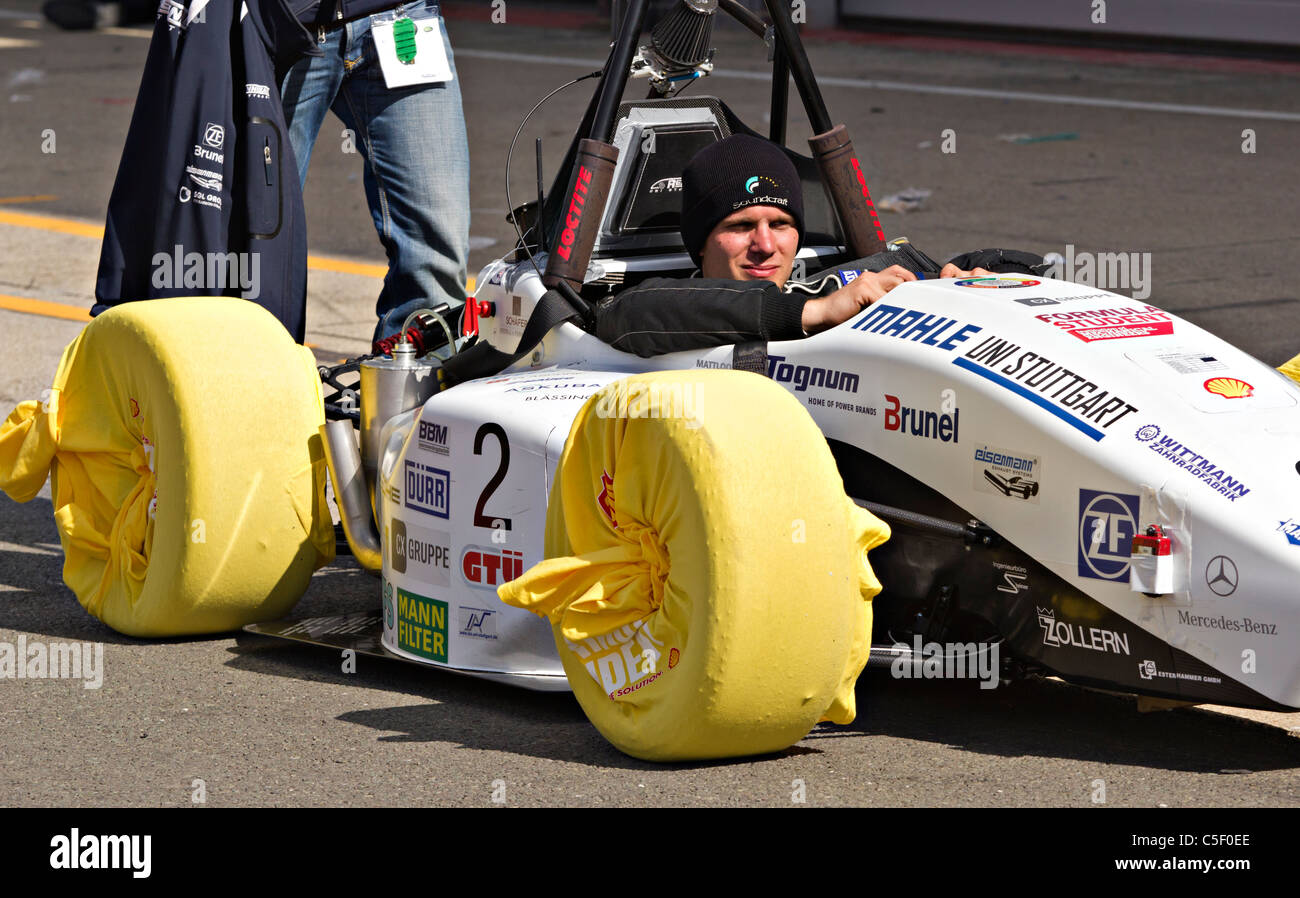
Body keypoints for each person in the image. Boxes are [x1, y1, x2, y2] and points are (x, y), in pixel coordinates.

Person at [595, 134, 1004, 358]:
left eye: (780, 223)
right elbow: (624, 314)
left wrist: (973, 274)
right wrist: (818, 312)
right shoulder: (658, 307)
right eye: (740, 226)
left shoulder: (839, 285)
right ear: (701, 243)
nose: (765, 245)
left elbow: (995, 264)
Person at [279, 0, 470, 344]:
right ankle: (248, 387)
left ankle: (411, 391)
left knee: (435, 249)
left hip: (400, 17)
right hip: (280, 22)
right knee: (252, 242)